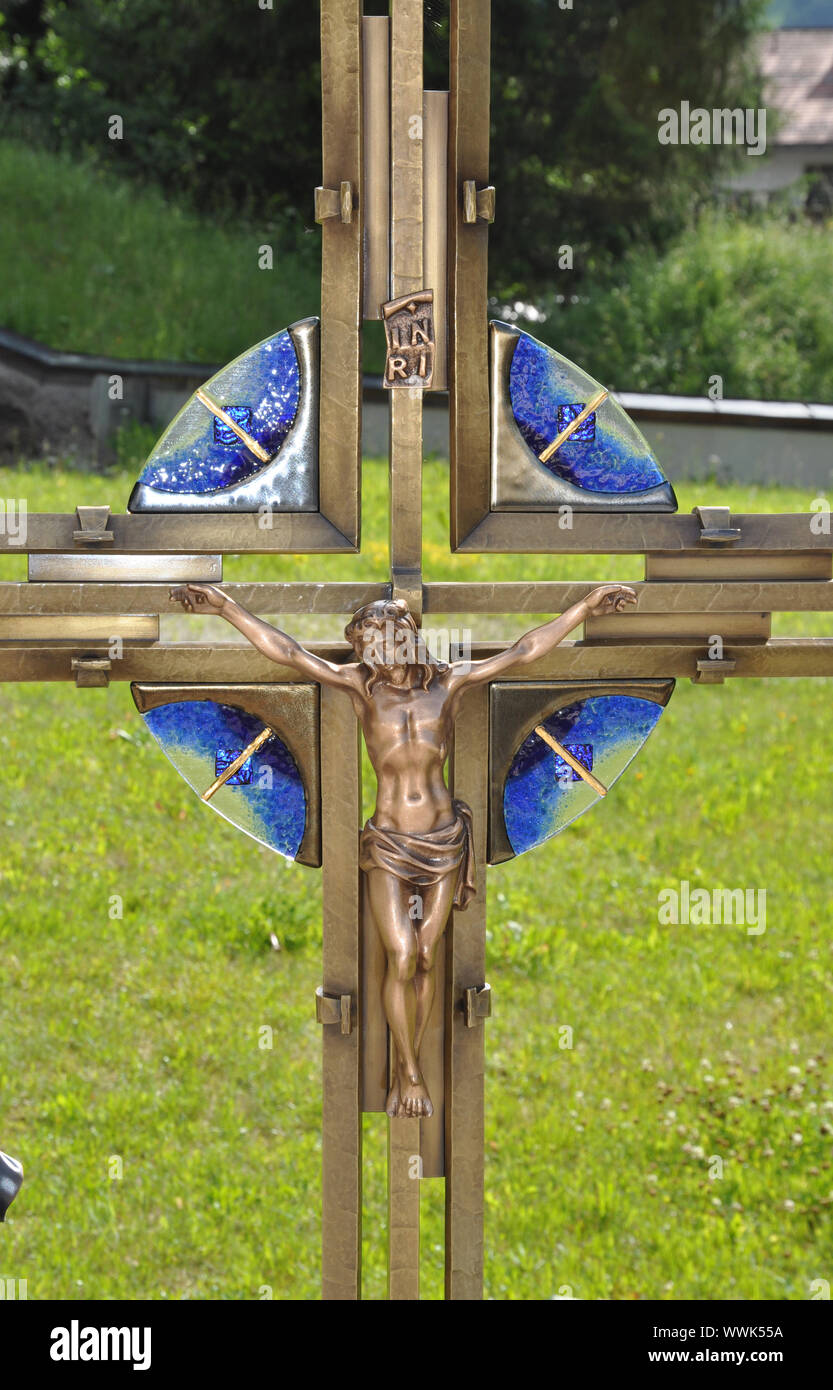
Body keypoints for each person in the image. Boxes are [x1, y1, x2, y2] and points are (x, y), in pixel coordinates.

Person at [171, 582, 636, 1117]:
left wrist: (583, 608)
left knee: (423, 955)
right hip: (389, 843)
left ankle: (411, 1065)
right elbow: (290, 653)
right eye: (366, 649)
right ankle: (408, 1071)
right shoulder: (362, 689)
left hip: (443, 840)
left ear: (406, 636)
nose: (374, 657)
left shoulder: (449, 685)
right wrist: (226, 607)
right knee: (399, 953)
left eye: (381, 644)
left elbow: (522, 653)